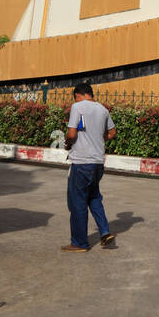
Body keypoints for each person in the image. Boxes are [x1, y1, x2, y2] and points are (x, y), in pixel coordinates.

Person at [62, 82, 116, 252]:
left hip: (81, 162)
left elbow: (72, 134)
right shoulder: (103, 109)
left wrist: (67, 143)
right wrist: (97, 141)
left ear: (78, 95)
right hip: (97, 163)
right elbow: (112, 132)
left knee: (77, 202)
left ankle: (79, 243)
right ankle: (105, 231)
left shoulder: (77, 107)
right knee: (93, 197)